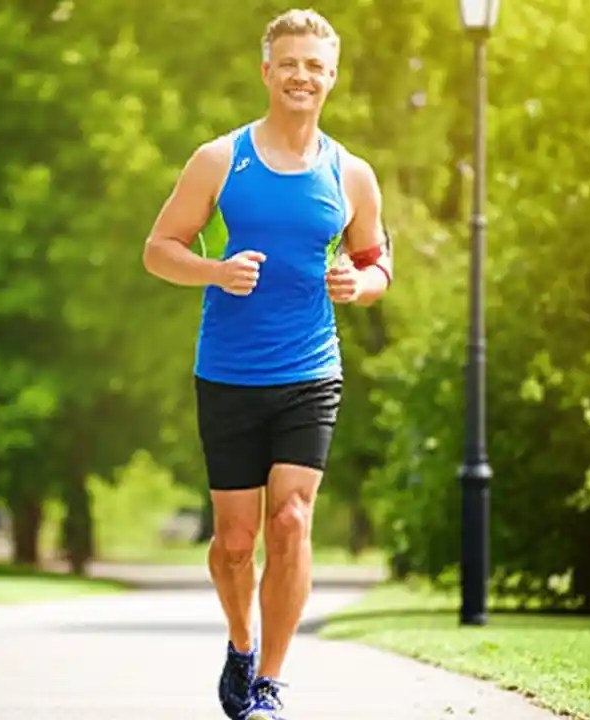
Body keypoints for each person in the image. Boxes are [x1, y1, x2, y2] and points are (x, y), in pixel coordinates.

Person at [141, 8, 392, 720]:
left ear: (332, 77)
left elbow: (377, 261)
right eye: (290, 63)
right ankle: (242, 644)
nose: (302, 76)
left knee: (289, 521)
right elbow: (159, 248)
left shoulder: (352, 174)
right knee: (233, 543)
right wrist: (216, 271)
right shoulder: (221, 160)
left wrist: (360, 285)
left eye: (315, 65)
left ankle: (271, 684)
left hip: (310, 371)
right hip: (226, 371)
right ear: (267, 71)